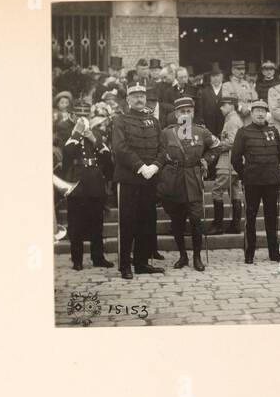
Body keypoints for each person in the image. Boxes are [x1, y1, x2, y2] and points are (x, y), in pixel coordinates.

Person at [157, 96, 219, 270]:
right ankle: (183, 255)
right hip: (173, 180)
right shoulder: (166, 133)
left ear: (193, 113)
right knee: (176, 221)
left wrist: (207, 159)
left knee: (195, 220)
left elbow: (217, 146)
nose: (185, 114)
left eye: (188, 111)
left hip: (193, 178)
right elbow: (159, 152)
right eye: (182, 111)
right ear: (176, 114)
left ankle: (197, 257)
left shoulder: (201, 132)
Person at [110, 82, 165, 279]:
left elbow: (162, 148)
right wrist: (142, 167)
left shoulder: (155, 122)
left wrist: (156, 166)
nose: (140, 99)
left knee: (147, 222)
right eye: (135, 96)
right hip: (129, 179)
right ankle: (125, 265)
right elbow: (120, 148)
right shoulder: (120, 121)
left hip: (150, 179)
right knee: (128, 223)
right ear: (128, 100)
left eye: (142, 95)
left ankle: (141, 263)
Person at [231, 99, 280, 263]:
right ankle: (250, 253)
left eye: (263, 110)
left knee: (271, 217)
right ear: (252, 113)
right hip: (252, 182)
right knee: (251, 218)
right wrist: (245, 174)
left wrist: (279, 173)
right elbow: (235, 158)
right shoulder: (243, 132)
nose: (260, 114)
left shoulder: (273, 131)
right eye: (257, 111)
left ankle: (274, 253)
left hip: (271, 182)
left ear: (266, 113)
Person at [60, 117, 115, 271]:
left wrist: (94, 139)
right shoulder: (69, 135)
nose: (83, 123)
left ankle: (98, 257)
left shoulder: (96, 135)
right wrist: (76, 134)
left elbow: (106, 157)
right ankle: (77, 260)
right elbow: (68, 153)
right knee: (75, 224)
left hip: (95, 183)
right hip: (77, 185)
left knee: (97, 224)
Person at [210, 93, 244, 235]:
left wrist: (216, 143)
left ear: (230, 105)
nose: (221, 109)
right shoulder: (233, 119)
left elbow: (233, 142)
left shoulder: (232, 121)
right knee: (234, 192)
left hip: (227, 162)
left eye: (223, 106)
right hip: (234, 163)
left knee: (217, 191)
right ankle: (235, 225)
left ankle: (218, 225)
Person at [196, 65, 227, 136]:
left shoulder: (227, 89)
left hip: (224, 124)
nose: (215, 78)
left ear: (222, 76)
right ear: (210, 77)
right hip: (208, 126)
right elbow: (200, 109)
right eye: (213, 76)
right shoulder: (204, 91)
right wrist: (202, 122)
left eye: (218, 76)